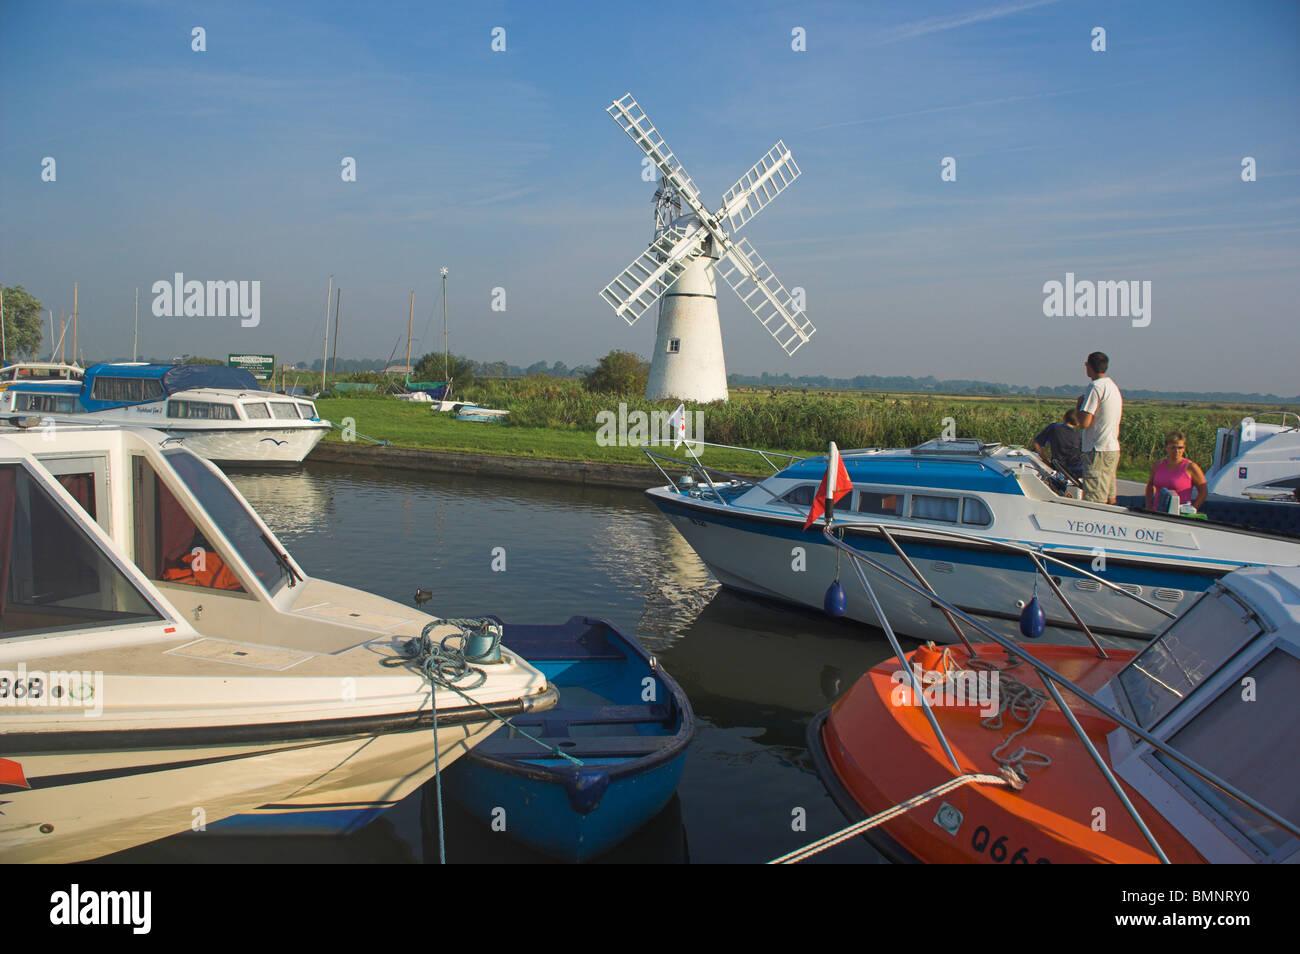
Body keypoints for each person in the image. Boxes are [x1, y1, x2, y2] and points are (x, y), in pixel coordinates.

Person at [1076, 352, 1122, 504]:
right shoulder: (1112, 386)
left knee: (1095, 500)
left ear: (1089, 367)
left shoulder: (1095, 387)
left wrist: (1079, 406)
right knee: (1109, 496)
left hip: (1098, 450)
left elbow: (1084, 422)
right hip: (1111, 448)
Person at [1145, 430, 1207, 512]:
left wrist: (1193, 509)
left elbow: (1203, 491)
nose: (1177, 451)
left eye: (1180, 448)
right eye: (1173, 447)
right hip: (1157, 511)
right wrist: (1149, 507)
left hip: (1179, 515)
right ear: (1166, 448)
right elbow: (1150, 487)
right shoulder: (1157, 465)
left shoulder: (1191, 467)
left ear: (1184, 448)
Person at [1031, 409, 1084, 482]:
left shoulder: (1054, 428)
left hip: (1059, 468)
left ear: (1064, 417)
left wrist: (1045, 461)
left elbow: (1037, 443)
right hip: (1077, 469)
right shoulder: (1079, 435)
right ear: (1078, 423)